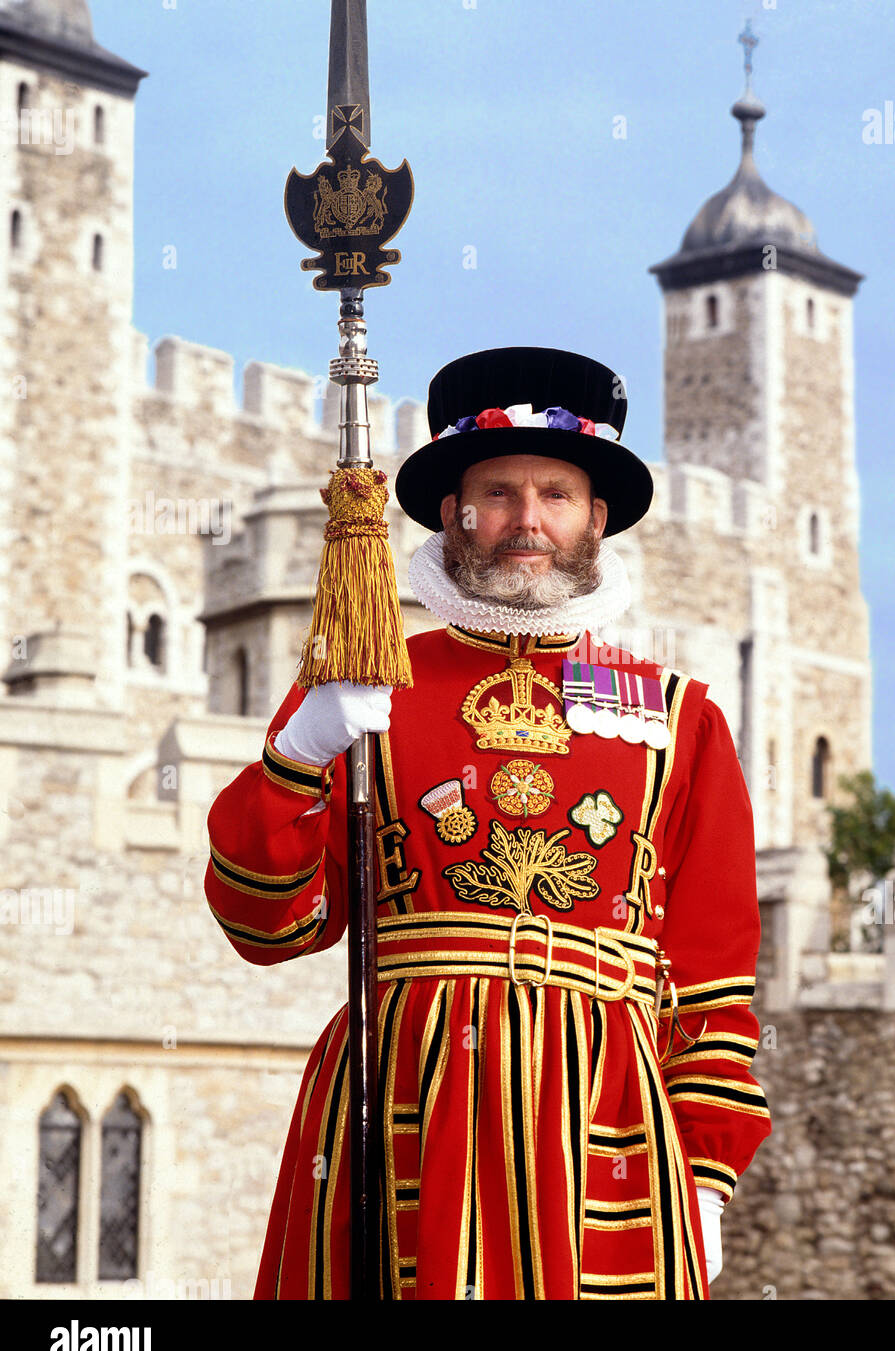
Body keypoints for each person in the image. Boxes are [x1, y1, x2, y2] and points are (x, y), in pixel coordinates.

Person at [204, 345, 772, 1299]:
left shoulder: (683, 717)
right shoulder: (360, 679)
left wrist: (708, 1173)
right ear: (452, 512)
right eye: (498, 492)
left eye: (555, 494)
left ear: (596, 518)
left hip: (607, 1128)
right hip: (401, 1102)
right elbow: (268, 928)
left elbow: (714, 976)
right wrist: (294, 758)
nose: (526, 522)